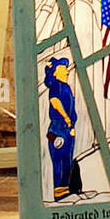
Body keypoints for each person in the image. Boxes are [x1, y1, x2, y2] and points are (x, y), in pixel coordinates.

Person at [44, 57, 78, 200]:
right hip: (59, 127)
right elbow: (55, 102)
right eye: (63, 68)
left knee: (67, 160)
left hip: (67, 128)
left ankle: (65, 191)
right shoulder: (57, 86)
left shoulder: (66, 87)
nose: (66, 70)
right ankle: (60, 193)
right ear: (56, 72)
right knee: (60, 159)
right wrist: (66, 118)